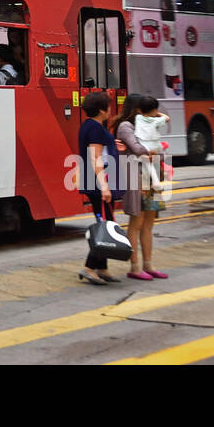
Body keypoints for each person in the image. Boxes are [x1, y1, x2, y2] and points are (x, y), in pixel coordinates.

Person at [111, 94, 167, 281]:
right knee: (137, 222)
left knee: (149, 223)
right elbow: (138, 149)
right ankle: (135, 267)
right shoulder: (126, 127)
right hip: (136, 178)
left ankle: (148, 265)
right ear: (137, 110)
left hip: (151, 178)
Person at [77, 91, 121, 285]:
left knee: (106, 223)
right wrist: (104, 187)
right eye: (108, 107)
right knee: (105, 227)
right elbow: (96, 158)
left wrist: (113, 145)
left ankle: (102, 267)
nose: (110, 110)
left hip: (94, 182)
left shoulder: (88, 125)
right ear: (103, 110)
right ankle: (88, 267)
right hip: (98, 183)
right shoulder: (95, 129)